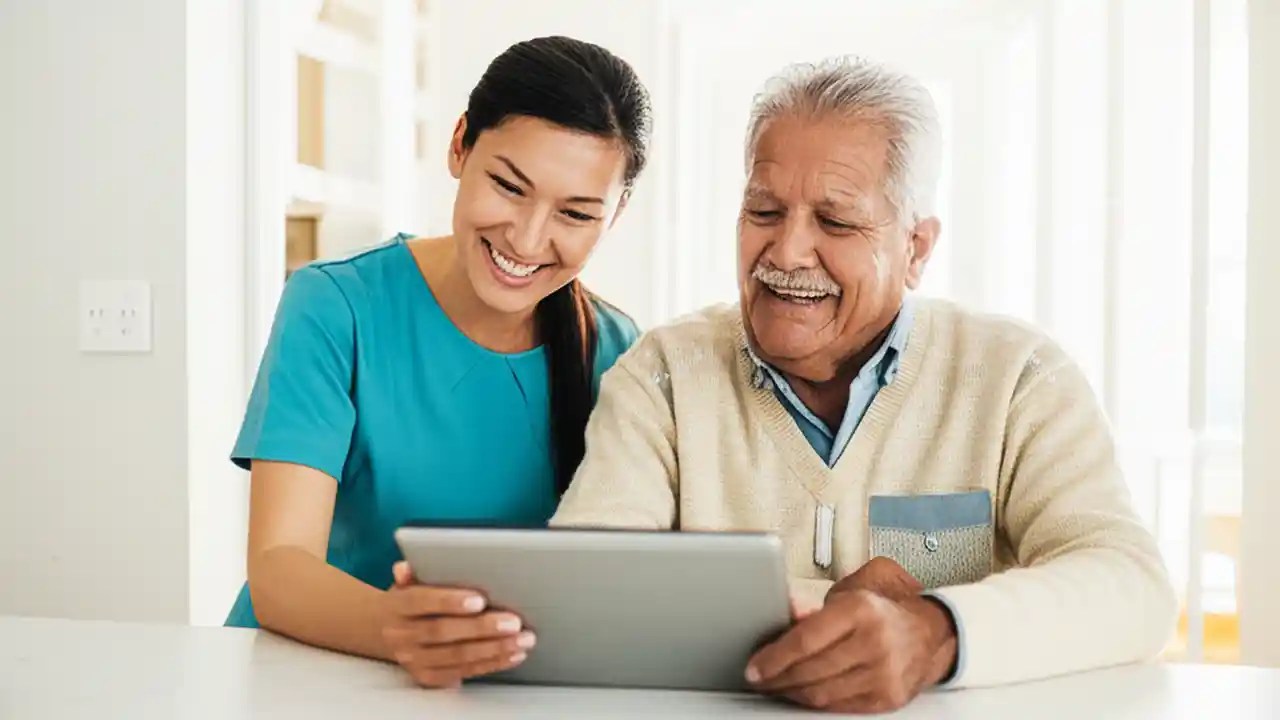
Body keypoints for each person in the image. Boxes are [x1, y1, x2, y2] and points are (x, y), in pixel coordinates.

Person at [551, 56, 1176, 713]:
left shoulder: (1020, 377)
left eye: (837, 222)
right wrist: (833, 608)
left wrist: (933, 631)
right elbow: (586, 592)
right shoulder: (664, 374)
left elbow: (1131, 586)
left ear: (917, 249)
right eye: (764, 211)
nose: (787, 252)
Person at [227, 35, 651, 689]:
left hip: (488, 694)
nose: (529, 239)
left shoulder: (619, 351)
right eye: (510, 187)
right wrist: (398, 631)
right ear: (460, 145)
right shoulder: (336, 306)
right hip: (303, 677)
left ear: (614, 215)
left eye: (575, 213)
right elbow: (280, 565)